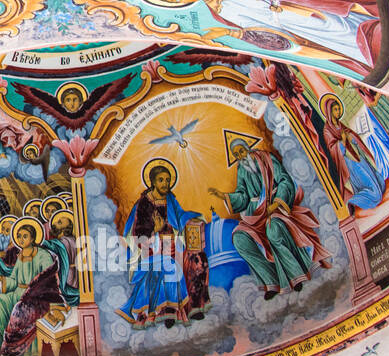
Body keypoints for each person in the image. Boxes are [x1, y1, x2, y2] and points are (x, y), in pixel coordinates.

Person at [136, 0, 386, 78]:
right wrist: (231, 32)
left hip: (304, 3)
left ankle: (380, 30)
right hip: (298, 28)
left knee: (344, 26)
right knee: (345, 46)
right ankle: (377, 53)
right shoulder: (220, 15)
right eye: (174, 0)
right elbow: (267, 37)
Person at [209, 138, 332, 298]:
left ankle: (296, 276)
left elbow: (284, 180)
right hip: (255, 216)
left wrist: (277, 202)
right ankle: (271, 281)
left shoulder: (266, 158)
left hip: (275, 207)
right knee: (239, 238)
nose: (240, 156)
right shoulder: (242, 170)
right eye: (236, 154)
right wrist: (225, 196)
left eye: (241, 151)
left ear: (247, 148)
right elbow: (243, 195)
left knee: (273, 230)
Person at [119, 161, 201, 327]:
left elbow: (180, 216)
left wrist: (193, 217)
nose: (165, 183)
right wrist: (154, 229)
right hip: (151, 247)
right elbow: (139, 232)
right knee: (169, 267)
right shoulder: (144, 202)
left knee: (191, 262)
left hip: (172, 244)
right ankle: (164, 312)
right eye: (161, 180)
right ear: (153, 182)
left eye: (168, 180)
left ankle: (184, 309)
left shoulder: (170, 199)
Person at [0, 219, 56, 356]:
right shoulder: (21, 254)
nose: (21, 239)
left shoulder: (43, 255)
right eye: (19, 236)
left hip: (34, 298)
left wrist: (33, 292)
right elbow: (14, 280)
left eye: (25, 236)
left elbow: (49, 280)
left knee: (20, 310)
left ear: (33, 238)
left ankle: (15, 352)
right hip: (17, 294)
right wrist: (2, 280)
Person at [320, 93, 386, 214]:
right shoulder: (327, 130)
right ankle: (351, 201)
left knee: (380, 184)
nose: (338, 112)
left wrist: (351, 137)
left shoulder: (340, 124)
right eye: (335, 110)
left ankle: (362, 197)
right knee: (375, 193)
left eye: (338, 109)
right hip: (349, 162)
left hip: (356, 155)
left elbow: (352, 136)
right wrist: (343, 141)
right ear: (329, 111)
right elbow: (332, 149)